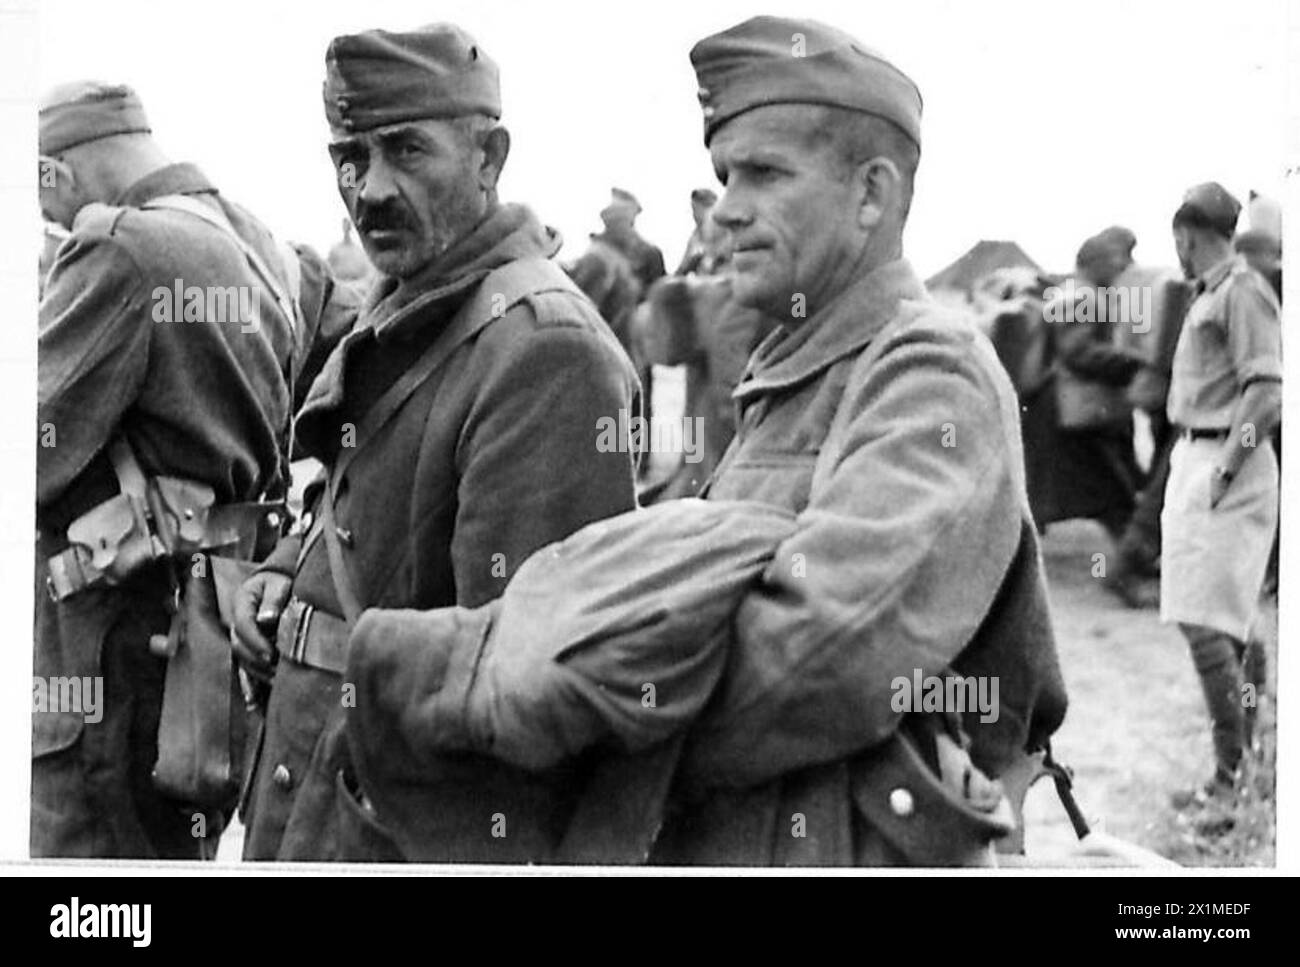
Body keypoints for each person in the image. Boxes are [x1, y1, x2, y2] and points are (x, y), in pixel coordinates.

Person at [641, 16, 1066, 863]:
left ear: (870, 194)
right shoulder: (796, 367)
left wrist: (574, 709)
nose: (725, 211)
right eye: (725, 176)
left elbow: (820, 660)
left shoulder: (926, 368)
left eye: (763, 174)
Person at [230, 22, 640, 861]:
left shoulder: (542, 346)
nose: (369, 187)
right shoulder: (413, 302)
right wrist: (280, 581)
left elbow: (521, 682)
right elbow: (360, 507)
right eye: (350, 156)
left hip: (397, 824)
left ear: (490, 158)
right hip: (315, 791)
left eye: (406, 151)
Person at [34, 81, 351, 858]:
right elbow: (347, 387)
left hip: (104, 650)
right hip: (205, 646)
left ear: (56, 173)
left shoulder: (119, 247)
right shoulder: (271, 249)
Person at [1161, 182, 1281, 809]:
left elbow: (1266, 391)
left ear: (1187, 234)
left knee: (1208, 626)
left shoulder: (1242, 291)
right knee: (1228, 622)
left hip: (1224, 460)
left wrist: (1226, 470)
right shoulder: (1213, 292)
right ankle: (1247, 768)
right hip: (1201, 455)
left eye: (1177, 240)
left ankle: (1231, 780)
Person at [674, 187, 721, 275]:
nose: (694, 215)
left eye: (696, 209)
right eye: (693, 210)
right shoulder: (695, 236)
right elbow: (683, 267)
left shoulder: (725, 234)